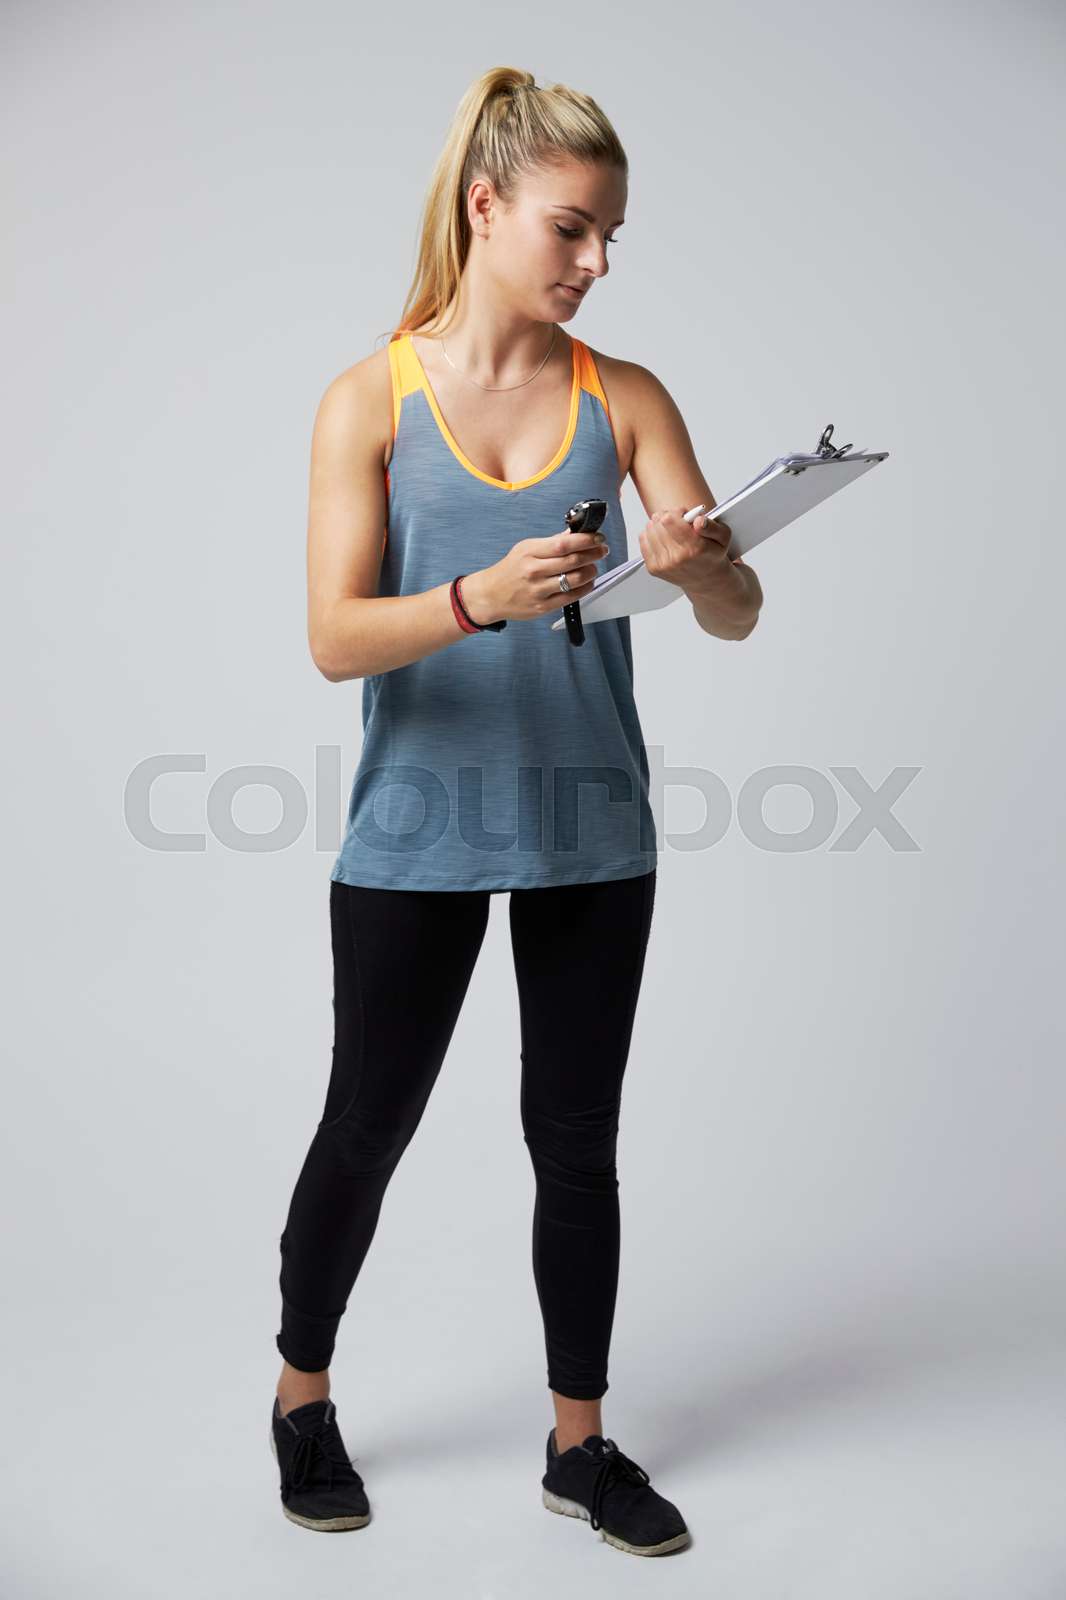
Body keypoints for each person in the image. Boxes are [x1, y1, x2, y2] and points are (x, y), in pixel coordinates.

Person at [270, 64, 763, 1556]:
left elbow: (736, 611)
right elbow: (333, 639)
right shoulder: (370, 398)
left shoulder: (627, 396)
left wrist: (697, 563)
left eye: (611, 237)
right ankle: (301, 1397)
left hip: (590, 832)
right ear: (485, 210)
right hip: (414, 830)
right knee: (367, 1124)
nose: (594, 262)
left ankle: (579, 1446)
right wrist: (476, 597)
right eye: (571, 228)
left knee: (577, 1142)